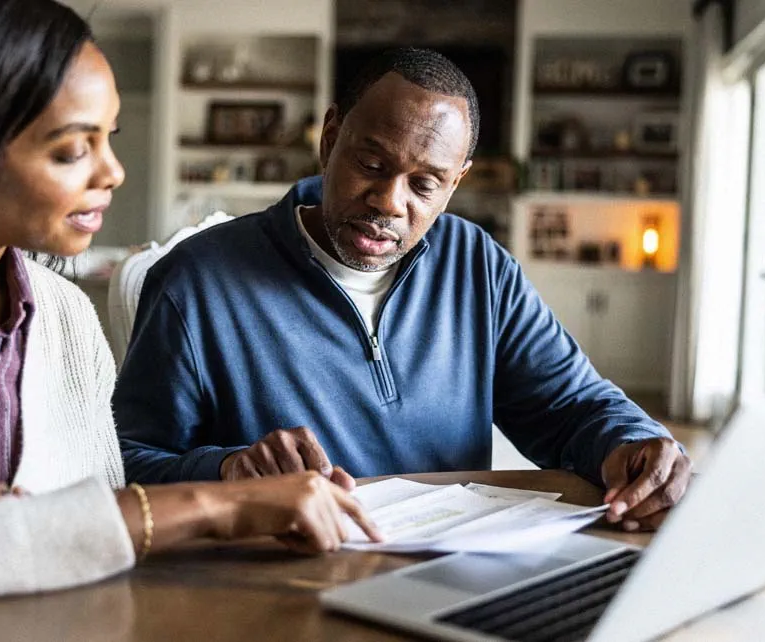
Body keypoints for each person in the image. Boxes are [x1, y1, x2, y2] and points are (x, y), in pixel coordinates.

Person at [0, 1, 377, 639]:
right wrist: (220, 504)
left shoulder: (67, 319)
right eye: (75, 149)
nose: (113, 172)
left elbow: (95, 539)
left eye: (109, 138)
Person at [114, 48, 692, 534]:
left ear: (456, 181)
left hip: (451, 569)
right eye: (371, 164)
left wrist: (635, 444)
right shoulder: (197, 281)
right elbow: (126, 464)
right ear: (330, 139)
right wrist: (229, 472)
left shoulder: (477, 265)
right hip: (288, 578)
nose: (390, 202)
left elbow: (570, 406)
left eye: (425, 183)